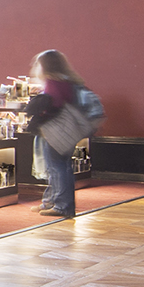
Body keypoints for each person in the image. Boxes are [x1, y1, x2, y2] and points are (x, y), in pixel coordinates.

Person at [25, 48, 91, 218]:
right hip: (67, 131)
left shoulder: (53, 83)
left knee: (57, 167)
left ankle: (62, 205)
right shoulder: (68, 81)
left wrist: (39, 110)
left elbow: (53, 104)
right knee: (60, 166)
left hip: (55, 130)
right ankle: (52, 201)